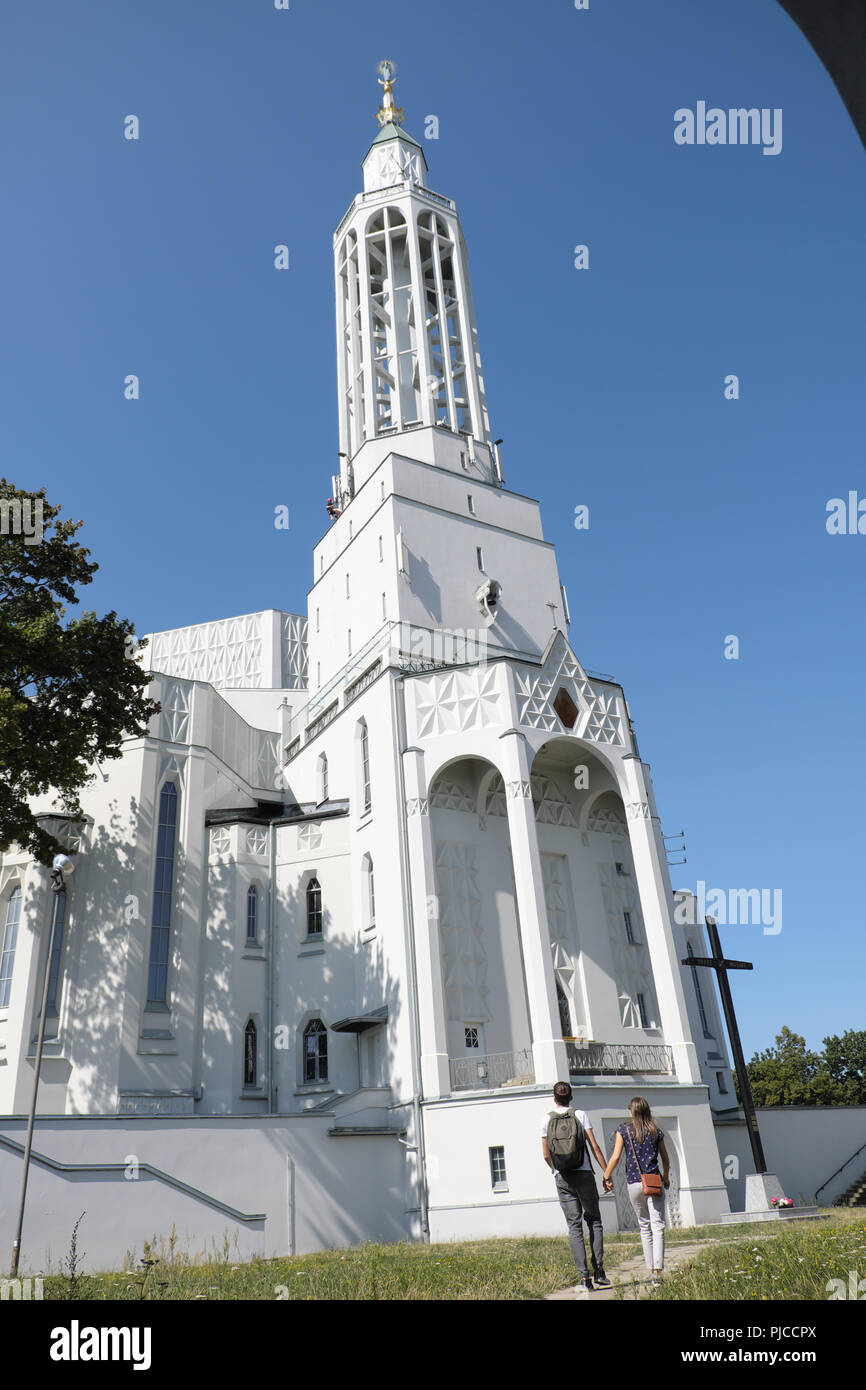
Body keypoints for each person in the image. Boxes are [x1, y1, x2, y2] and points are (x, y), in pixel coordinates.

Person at [542, 1081, 613, 1291]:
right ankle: (599, 1271)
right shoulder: (580, 1115)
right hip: (584, 1175)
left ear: (554, 1098)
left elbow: (546, 1154)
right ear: (571, 1097)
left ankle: (584, 1278)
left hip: (563, 1176)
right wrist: (606, 1174)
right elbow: (595, 1146)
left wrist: (556, 1169)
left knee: (574, 1226)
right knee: (594, 1220)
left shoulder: (546, 1119)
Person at [603, 1095, 670, 1287]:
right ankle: (658, 1270)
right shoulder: (656, 1131)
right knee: (658, 1225)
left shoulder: (623, 1130)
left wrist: (606, 1176)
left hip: (634, 1183)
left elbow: (615, 1157)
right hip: (654, 1182)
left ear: (631, 1111)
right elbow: (665, 1158)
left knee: (644, 1226)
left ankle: (650, 1269)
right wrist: (666, 1176)